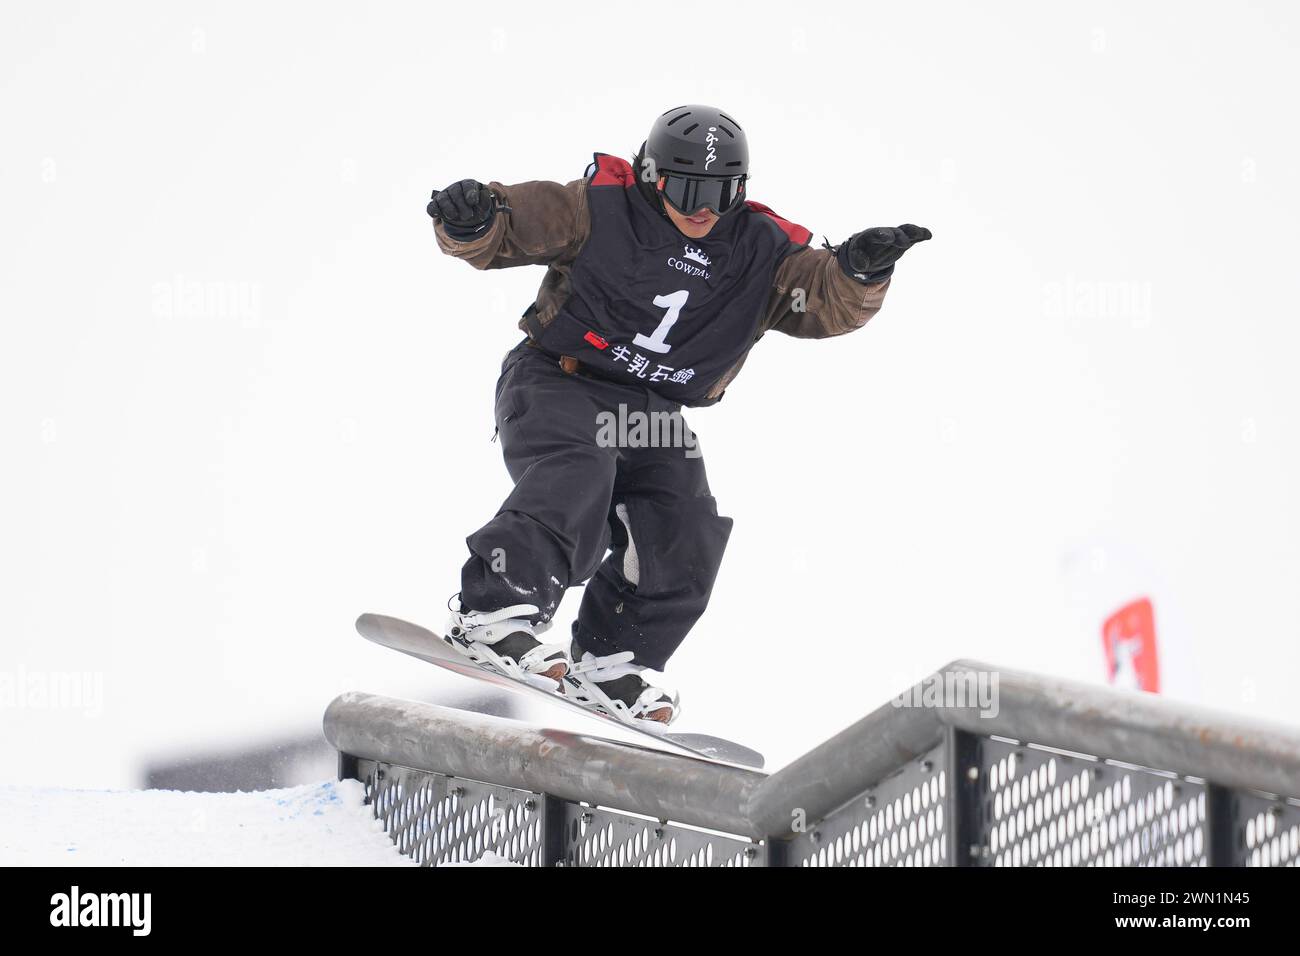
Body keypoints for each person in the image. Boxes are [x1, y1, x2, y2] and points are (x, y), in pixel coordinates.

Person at [426, 104, 930, 725]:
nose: (704, 210)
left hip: (651, 409)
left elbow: (823, 299)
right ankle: (496, 611)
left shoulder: (763, 250)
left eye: (723, 194)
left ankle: (613, 657)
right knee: (577, 473)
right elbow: (509, 225)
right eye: (689, 189)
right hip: (560, 381)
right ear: (652, 175)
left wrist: (860, 271)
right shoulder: (599, 207)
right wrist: (473, 217)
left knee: (684, 522)